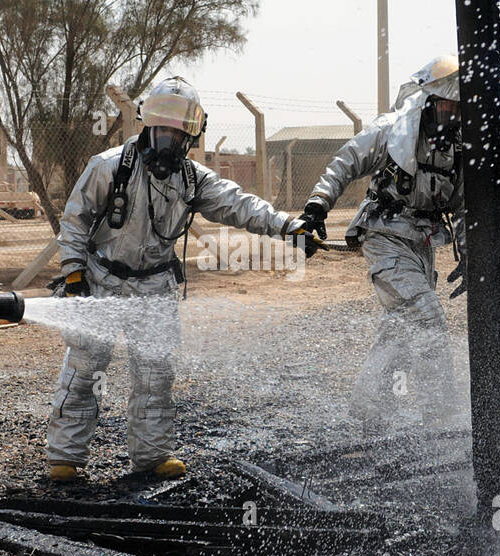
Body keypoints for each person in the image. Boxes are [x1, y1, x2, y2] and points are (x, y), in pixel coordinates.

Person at [47, 77, 313, 481]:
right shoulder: (109, 166)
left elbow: (238, 203)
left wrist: (287, 227)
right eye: (162, 129)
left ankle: (151, 458)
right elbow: (75, 219)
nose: (168, 139)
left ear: (190, 135)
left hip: (155, 287)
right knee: (85, 369)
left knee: (155, 376)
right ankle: (64, 458)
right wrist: (74, 274)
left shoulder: (193, 180)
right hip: (101, 281)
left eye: (176, 131)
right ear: (147, 127)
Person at [297, 55, 466, 435]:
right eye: (445, 106)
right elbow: (345, 162)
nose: (451, 116)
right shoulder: (393, 131)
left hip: (422, 244)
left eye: (458, 108)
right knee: (425, 314)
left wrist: (471, 252)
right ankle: (441, 420)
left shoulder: (457, 151)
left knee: (401, 327)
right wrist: (317, 206)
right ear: (427, 102)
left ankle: (371, 407)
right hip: (384, 236)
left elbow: (465, 206)